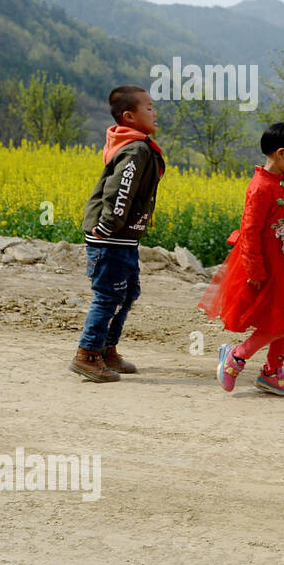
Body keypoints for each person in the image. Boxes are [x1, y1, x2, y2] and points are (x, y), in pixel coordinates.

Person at [200, 122, 284, 397]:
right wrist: (255, 270)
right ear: (281, 153)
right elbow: (249, 231)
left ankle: (272, 373)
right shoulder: (261, 187)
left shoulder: (279, 181)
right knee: (277, 322)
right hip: (267, 265)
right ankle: (236, 356)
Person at [70, 85, 166, 382]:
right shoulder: (135, 149)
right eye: (148, 108)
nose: (155, 112)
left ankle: (106, 350)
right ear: (129, 116)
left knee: (127, 293)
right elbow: (120, 190)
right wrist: (109, 225)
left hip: (123, 237)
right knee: (109, 295)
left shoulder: (139, 145)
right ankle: (87, 355)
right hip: (111, 237)